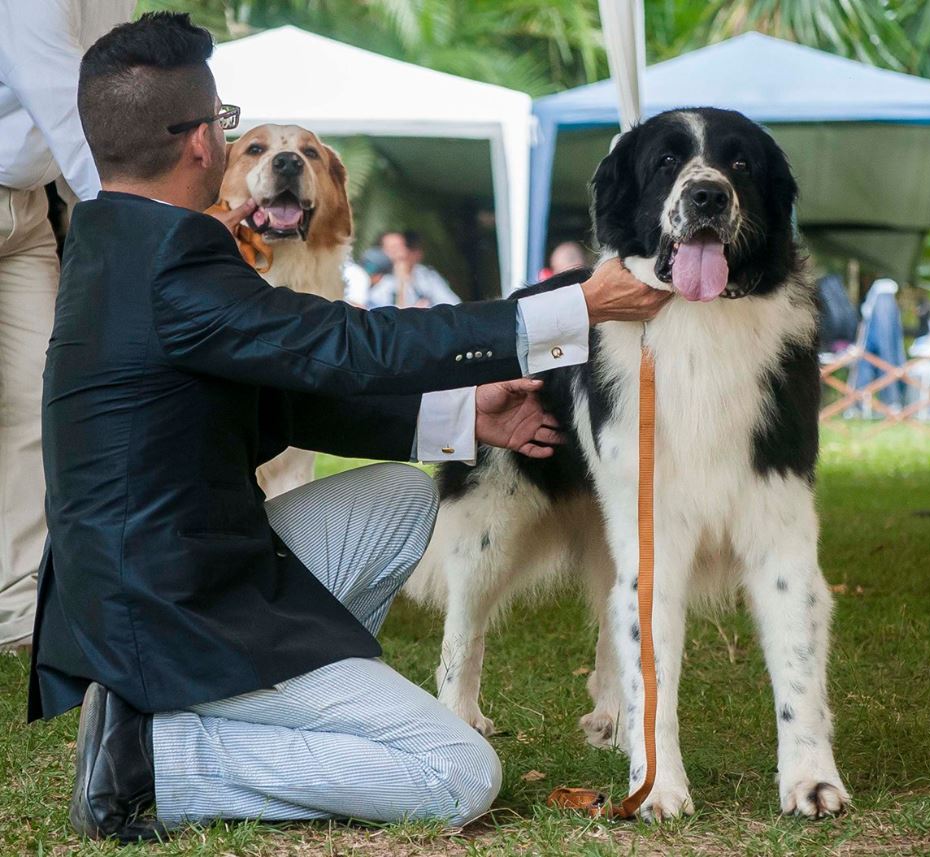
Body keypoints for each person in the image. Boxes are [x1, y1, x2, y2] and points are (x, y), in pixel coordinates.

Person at [29, 13, 671, 842]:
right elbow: (350, 345)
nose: (226, 144)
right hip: (175, 610)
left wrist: (462, 413)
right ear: (197, 144)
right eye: (227, 127)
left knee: (404, 499)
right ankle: (155, 757)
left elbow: (286, 398)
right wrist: (574, 304)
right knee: (458, 774)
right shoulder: (175, 260)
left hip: (157, 572)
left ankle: (238, 713)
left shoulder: (109, 239)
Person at [0, 1, 135, 655]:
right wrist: (136, 220)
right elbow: (54, 91)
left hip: (26, 208)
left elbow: (107, 103)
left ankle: (17, 609)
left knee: (38, 396)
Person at [368, 230, 462, 308]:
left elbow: (453, 304)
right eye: (393, 248)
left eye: (402, 246)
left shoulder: (426, 275)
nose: (400, 253)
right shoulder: (377, 279)